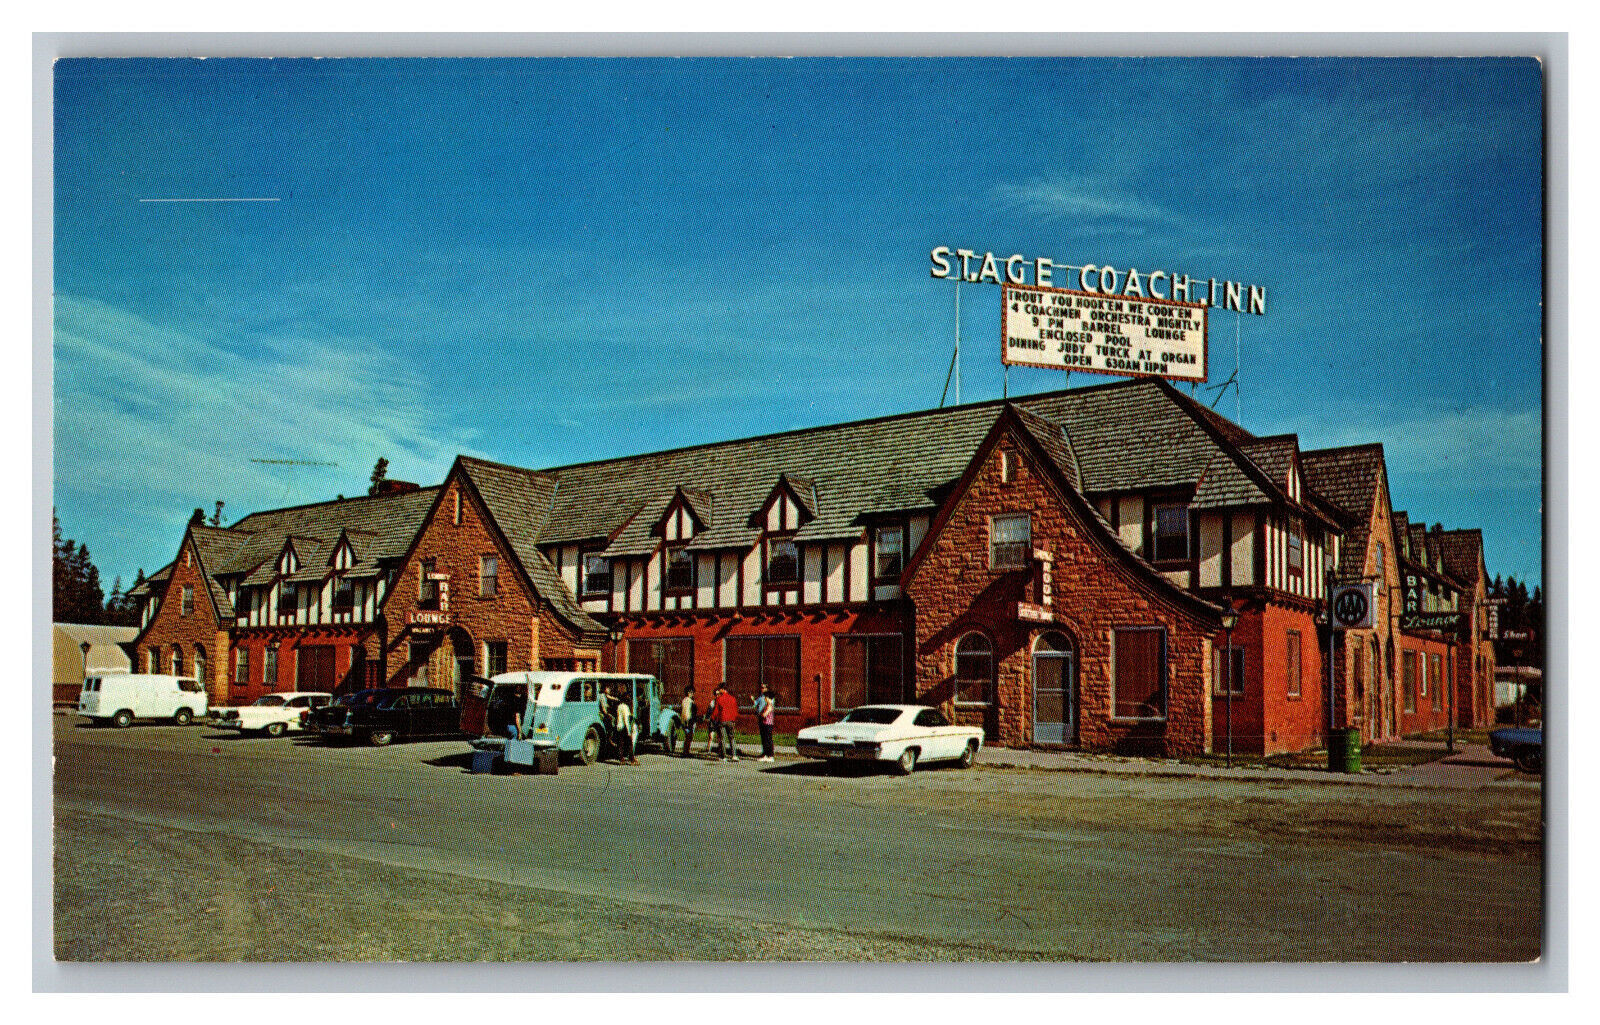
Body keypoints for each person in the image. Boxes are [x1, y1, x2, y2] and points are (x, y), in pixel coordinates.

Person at [714, 683, 740, 762]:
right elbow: (735, 710)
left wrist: (713, 718)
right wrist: (734, 719)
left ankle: (723, 756)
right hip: (731, 720)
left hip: (722, 720)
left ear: (722, 689)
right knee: (732, 738)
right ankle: (734, 755)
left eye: (720, 689)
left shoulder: (719, 699)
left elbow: (716, 711)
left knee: (722, 738)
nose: (719, 690)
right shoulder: (733, 698)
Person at [613, 691, 638, 764]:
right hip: (624, 727)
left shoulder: (619, 706)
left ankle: (621, 760)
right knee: (629, 744)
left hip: (619, 726)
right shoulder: (625, 707)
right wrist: (629, 731)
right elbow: (626, 719)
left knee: (621, 744)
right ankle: (632, 760)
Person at [754, 683, 776, 762]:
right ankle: (766, 754)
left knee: (768, 740)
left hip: (768, 724)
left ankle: (769, 755)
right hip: (765, 723)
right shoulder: (767, 705)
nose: (765, 699)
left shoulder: (769, 706)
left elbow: (764, 714)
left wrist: (761, 714)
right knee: (766, 739)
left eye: (766, 697)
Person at [679, 685, 697, 758]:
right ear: (687, 692)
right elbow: (686, 712)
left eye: (693, 692)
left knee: (688, 737)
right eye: (690, 692)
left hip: (688, 721)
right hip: (689, 721)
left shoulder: (686, 700)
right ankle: (685, 752)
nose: (692, 694)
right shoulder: (688, 701)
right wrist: (687, 722)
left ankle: (686, 751)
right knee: (688, 737)